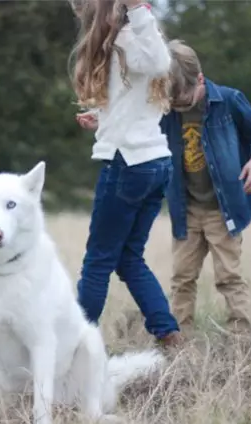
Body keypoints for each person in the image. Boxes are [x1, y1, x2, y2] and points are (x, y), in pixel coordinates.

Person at [71, 0, 182, 347]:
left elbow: (160, 62)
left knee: (98, 261)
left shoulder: (130, 37)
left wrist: (137, 7)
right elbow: (135, 101)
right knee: (128, 259)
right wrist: (102, 120)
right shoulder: (126, 40)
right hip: (153, 162)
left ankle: (76, 344)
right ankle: (167, 333)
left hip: (128, 164)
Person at [161, 40, 251, 333]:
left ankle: (241, 341)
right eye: (173, 104)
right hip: (185, 208)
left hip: (223, 210)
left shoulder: (228, 99)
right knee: (181, 278)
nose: (178, 108)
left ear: (200, 80)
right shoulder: (165, 109)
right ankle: (180, 341)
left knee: (229, 277)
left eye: (184, 102)